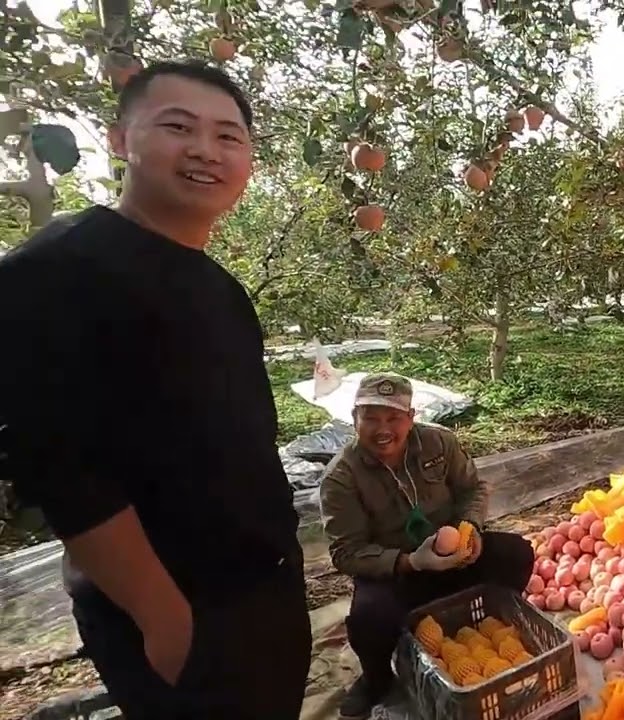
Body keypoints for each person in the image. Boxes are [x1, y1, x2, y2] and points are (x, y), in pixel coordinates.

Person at [0, 60, 311, 718]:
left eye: (229, 136)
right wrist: (164, 618)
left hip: (262, 592)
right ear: (120, 140)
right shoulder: (57, 271)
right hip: (179, 615)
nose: (205, 150)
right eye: (178, 127)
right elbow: (61, 470)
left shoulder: (218, 288)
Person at [320, 373, 535, 719]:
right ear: (354, 418)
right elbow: (346, 552)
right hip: (396, 573)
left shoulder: (438, 443)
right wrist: (411, 562)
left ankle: (489, 628)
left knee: (515, 552)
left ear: (411, 417)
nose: (382, 429)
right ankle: (376, 679)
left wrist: (470, 528)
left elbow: (473, 489)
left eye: (393, 418)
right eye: (371, 418)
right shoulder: (341, 478)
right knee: (368, 618)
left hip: (456, 558)